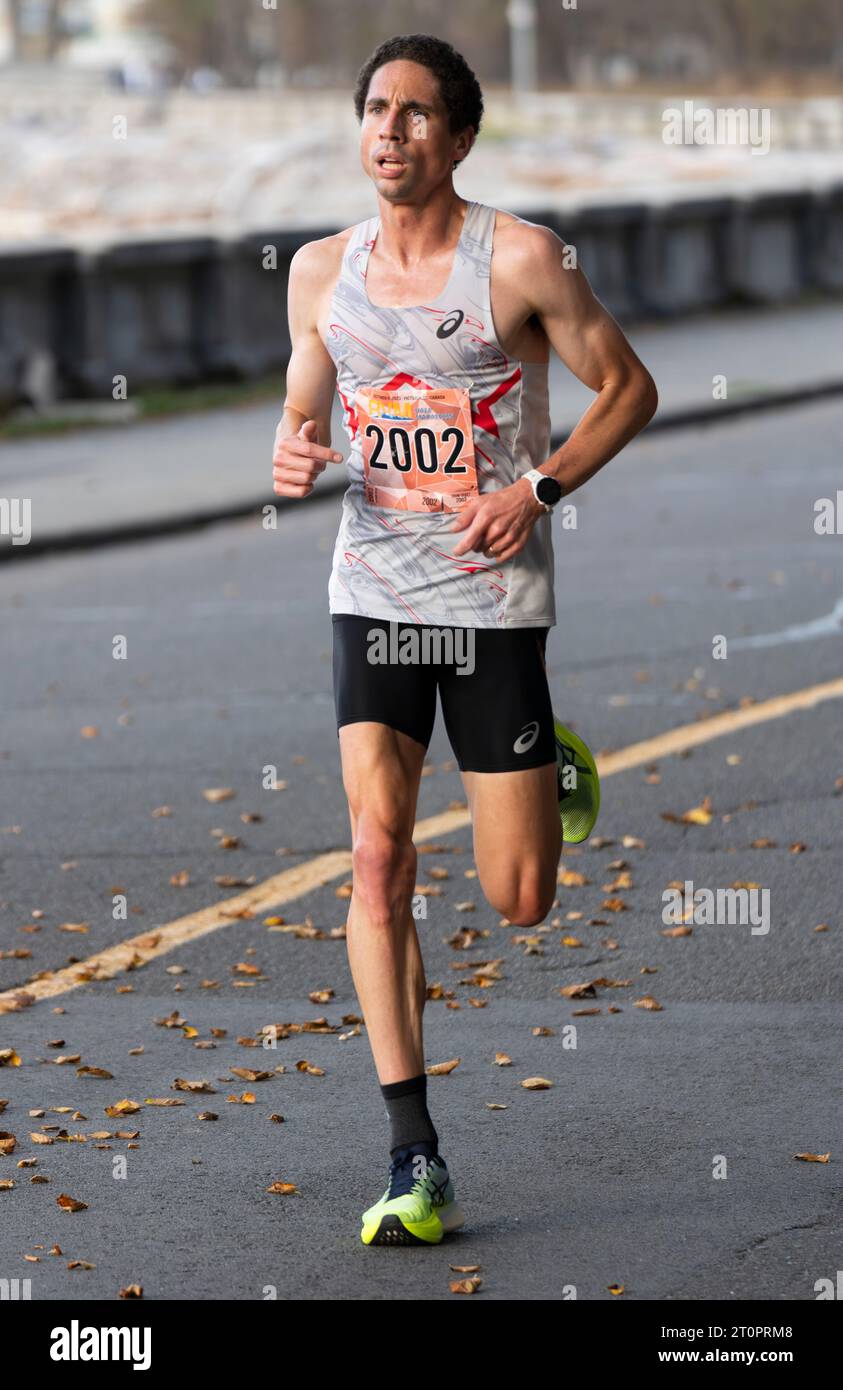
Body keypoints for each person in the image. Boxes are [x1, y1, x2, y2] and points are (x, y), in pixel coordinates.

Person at [271, 33, 658, 1247]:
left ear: (461, 137)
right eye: (376, 110)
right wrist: (293, 455)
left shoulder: (522, 261)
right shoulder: (321, 273)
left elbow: (628, 387)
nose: (390, 131)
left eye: (417, 114)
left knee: (522, 896)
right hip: (376, 589)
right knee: (377, 856)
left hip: (492, 603)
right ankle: (413, 1152)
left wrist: (536, 491)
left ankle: (550, 767)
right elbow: (302, 410)